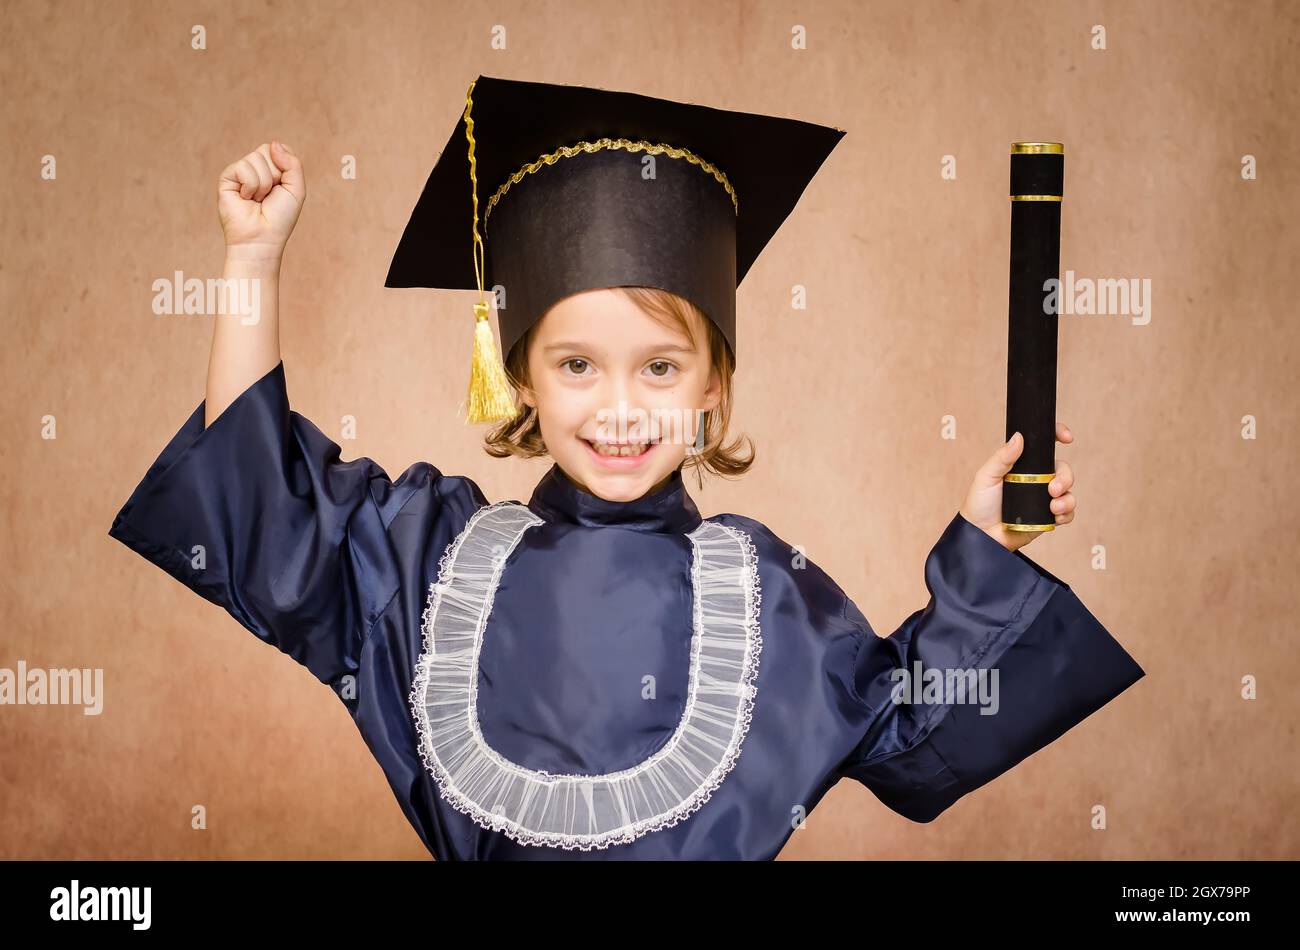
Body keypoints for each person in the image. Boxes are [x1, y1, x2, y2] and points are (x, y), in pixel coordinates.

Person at [108, 75, 1144, 860]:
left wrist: (986, 548)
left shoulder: (764, 597)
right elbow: (260, 509)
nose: (616, 407)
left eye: (659, 366)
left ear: (712, 391)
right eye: (575, 364)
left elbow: (914, 724)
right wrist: (251, 262)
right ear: (515, 377)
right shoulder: (431, 559)